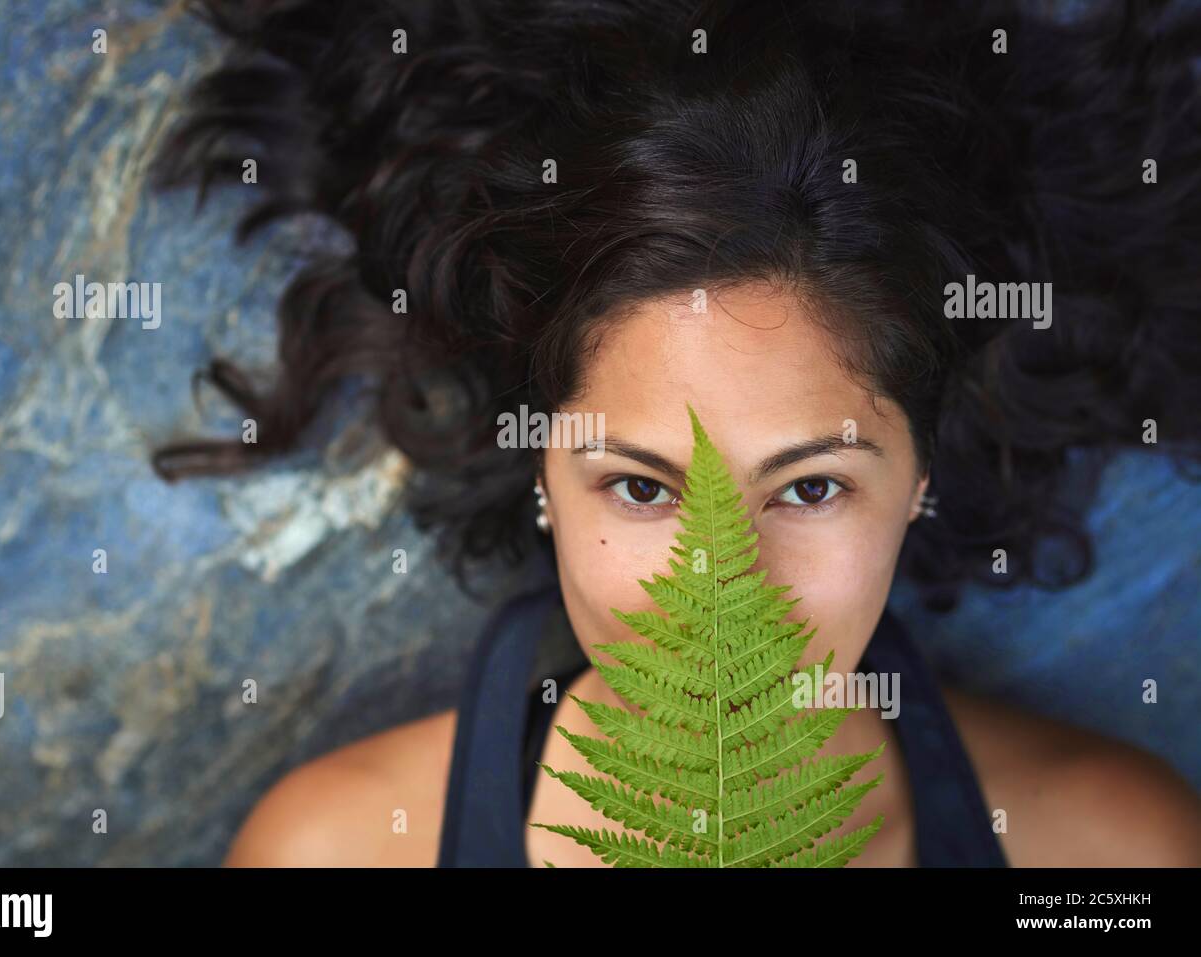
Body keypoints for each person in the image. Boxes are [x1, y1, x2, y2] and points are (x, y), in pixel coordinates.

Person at [149, 0, 1201, 866]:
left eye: (810, 487)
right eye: (641, 487)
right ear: (543, 473)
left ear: (919, 479)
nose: (721, 579)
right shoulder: (336, 852)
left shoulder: (1105, 853)